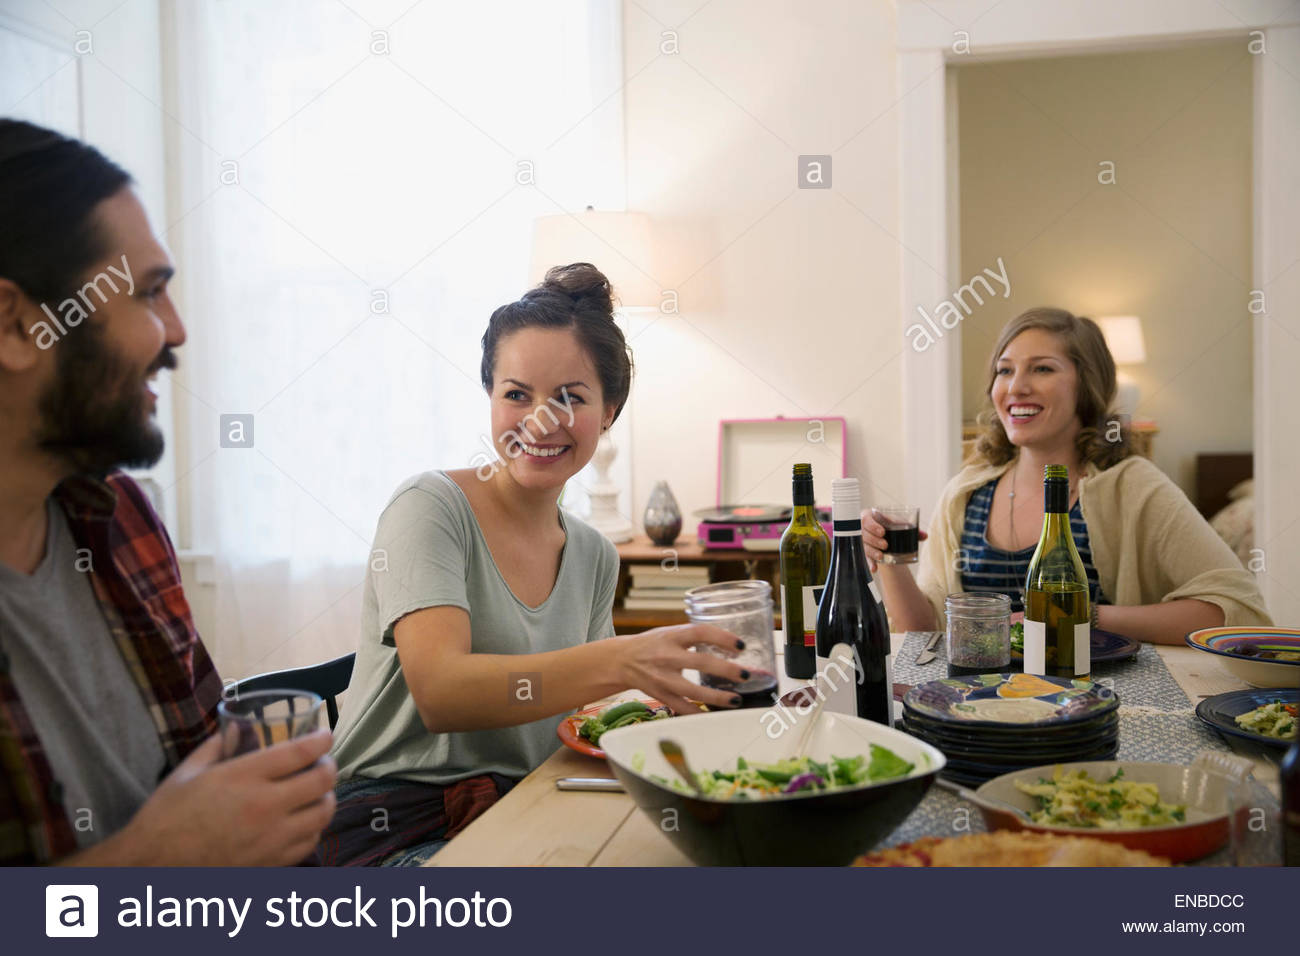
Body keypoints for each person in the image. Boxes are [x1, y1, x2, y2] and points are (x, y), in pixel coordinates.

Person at [325, 263, 747, 866]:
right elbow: (441, 692)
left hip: (528, 805)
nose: (539, 420)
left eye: (570, 397)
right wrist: (623, 659)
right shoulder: (429, 508)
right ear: (491, 398)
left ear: (609, 411)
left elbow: (588, 716)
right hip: (393, 824)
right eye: (516, 394)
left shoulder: (594, 554)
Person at [0, 120, 336, 864]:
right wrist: (152, 865)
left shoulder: (119, 518)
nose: (175, 331)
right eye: (149, 294)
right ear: (17, 325)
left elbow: (219, 772)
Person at [865, 307, 1271, 644]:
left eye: (1042, 369)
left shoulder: (1132, 485)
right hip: (981, 709)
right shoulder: (965, 494)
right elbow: (927, 630)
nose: (1017, 387)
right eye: (1004, 371)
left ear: (1087, 385)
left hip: (1101, 712)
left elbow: (1236, 611)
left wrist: (1083, 616)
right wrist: (888, 558)